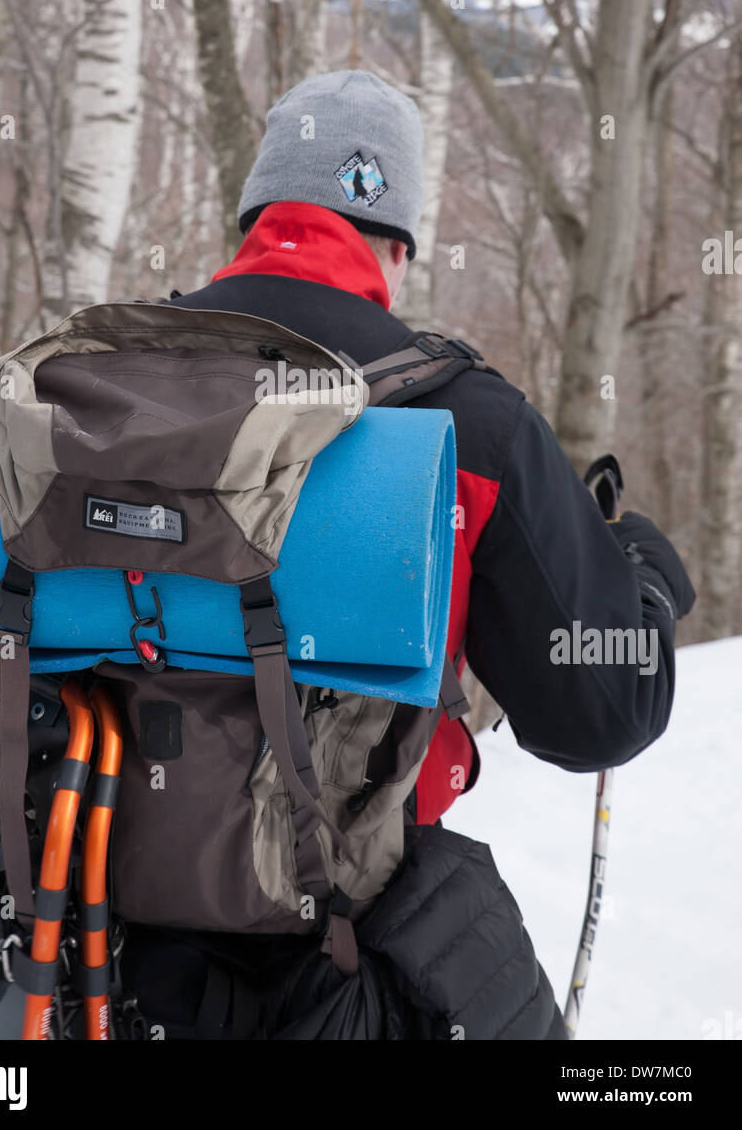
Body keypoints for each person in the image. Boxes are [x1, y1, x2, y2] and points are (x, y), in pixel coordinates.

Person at [120, 69, 695, 1038]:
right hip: (338, 952)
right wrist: (640, 569)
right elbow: (602, 710)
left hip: (98, 927)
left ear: (253, 218)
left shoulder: (104, 387)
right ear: (395, 242)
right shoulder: (470, 426)